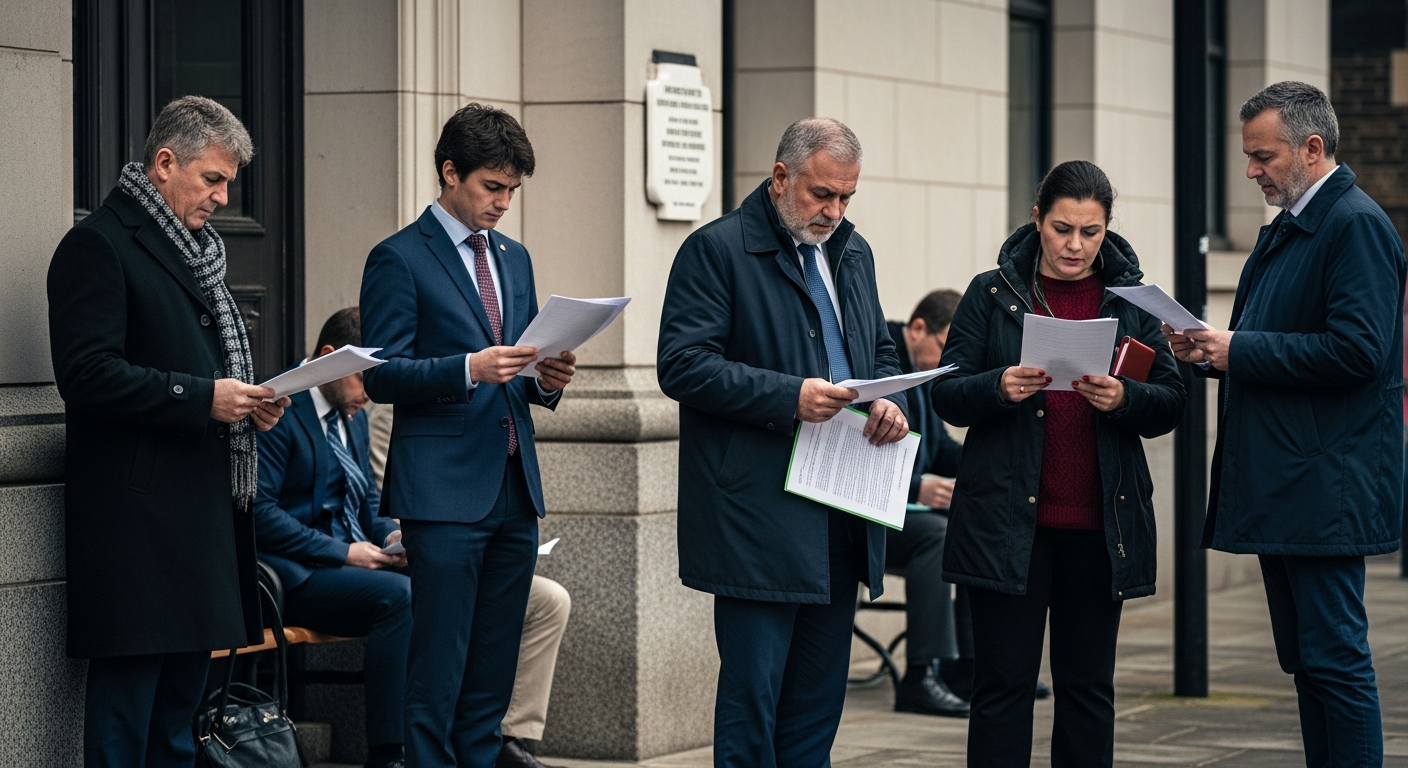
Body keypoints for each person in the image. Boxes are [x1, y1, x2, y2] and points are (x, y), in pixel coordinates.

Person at [1165, 81, 1405, 767]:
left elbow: (1358, 351)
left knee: (1335, 659)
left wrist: (1235, 348)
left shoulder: (1352, 225)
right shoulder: (1299, 225)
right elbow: (1275, 344)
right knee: (1310, 661)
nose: (1251, 172)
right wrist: (1210, 352)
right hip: (1295, 481)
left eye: (1263, 156)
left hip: (1325, 485)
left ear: (1312, 147)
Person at [658, 117, 910, 767]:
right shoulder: (716, 250)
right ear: (780, 178)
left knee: (815, 710)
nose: (834, 210)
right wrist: (787, 397)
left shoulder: (854, 253)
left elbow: (878, 350)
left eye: (847, 197)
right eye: (822, 194)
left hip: (843, 507)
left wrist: (890, 400)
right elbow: (682, 364)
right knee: (753, 706)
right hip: (757, 515)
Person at [47, 95, 290, 766]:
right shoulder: (96, 245)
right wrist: (201, 398)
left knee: (178, 728)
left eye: (227, 184)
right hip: (137, 532)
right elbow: (88, 375)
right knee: (126, 726)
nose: (220, 197)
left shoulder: (198, 254)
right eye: (212, 179)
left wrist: (246, 404)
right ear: (163, 163)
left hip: (199, 524)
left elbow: (203, 369)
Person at [933, 160, 1186, 767]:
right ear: (1037, 221)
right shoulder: (991, 293)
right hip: (1005, 525)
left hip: (1101, 528)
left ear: (1106, 231)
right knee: (1001, 689)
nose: (1075, 246)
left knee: (1088, 691)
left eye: (1090, 232)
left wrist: (1125, 399)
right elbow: (946, 392)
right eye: (1062, 229)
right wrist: (999, 386)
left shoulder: (1133, 301)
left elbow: (1171, 400)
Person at [360, 102, 576, 768]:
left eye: (512, 189)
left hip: (513, 490)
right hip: (442, 495)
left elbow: (524, 369)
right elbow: (382, 375)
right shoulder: (398, 257)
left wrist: (550, 377)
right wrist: (467, 369)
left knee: (491, 674)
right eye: (492, 186)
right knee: (438, 673)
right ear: (450, 173)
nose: (503, 202)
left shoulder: (515, 259)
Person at [365, 403, 574, 768]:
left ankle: (506, 737)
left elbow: (366, 499)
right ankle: (398, 751)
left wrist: (545, 382)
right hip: (428, 529)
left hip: (508, 500)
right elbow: (386, 491)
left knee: (542, 606)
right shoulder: (380, 418)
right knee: (438, 664)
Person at [254, 307, 409, 768]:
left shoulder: (352, 413)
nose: (373, 394)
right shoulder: (278, 405)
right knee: (400, 598)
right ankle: (388, 755)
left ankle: (447, 738)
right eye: (367, 378)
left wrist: (393, 534)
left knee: (446, 575)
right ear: (331, 357)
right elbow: (258, 514)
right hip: (292, 575)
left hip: (349, 563)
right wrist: (343, 552)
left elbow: (364, 505)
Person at [883, 290, 968, 717]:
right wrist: (916, 489)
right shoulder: (882, 358)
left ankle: (966, 668)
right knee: (937, 536)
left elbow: (940, 446)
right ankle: (920, 677)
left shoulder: (924, 369)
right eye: (942, 347)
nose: (943, 360)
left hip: (904, 508)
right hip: (866, 513)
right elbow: (851, 451)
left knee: (976, 523)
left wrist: (986, 465)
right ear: (918, 329)